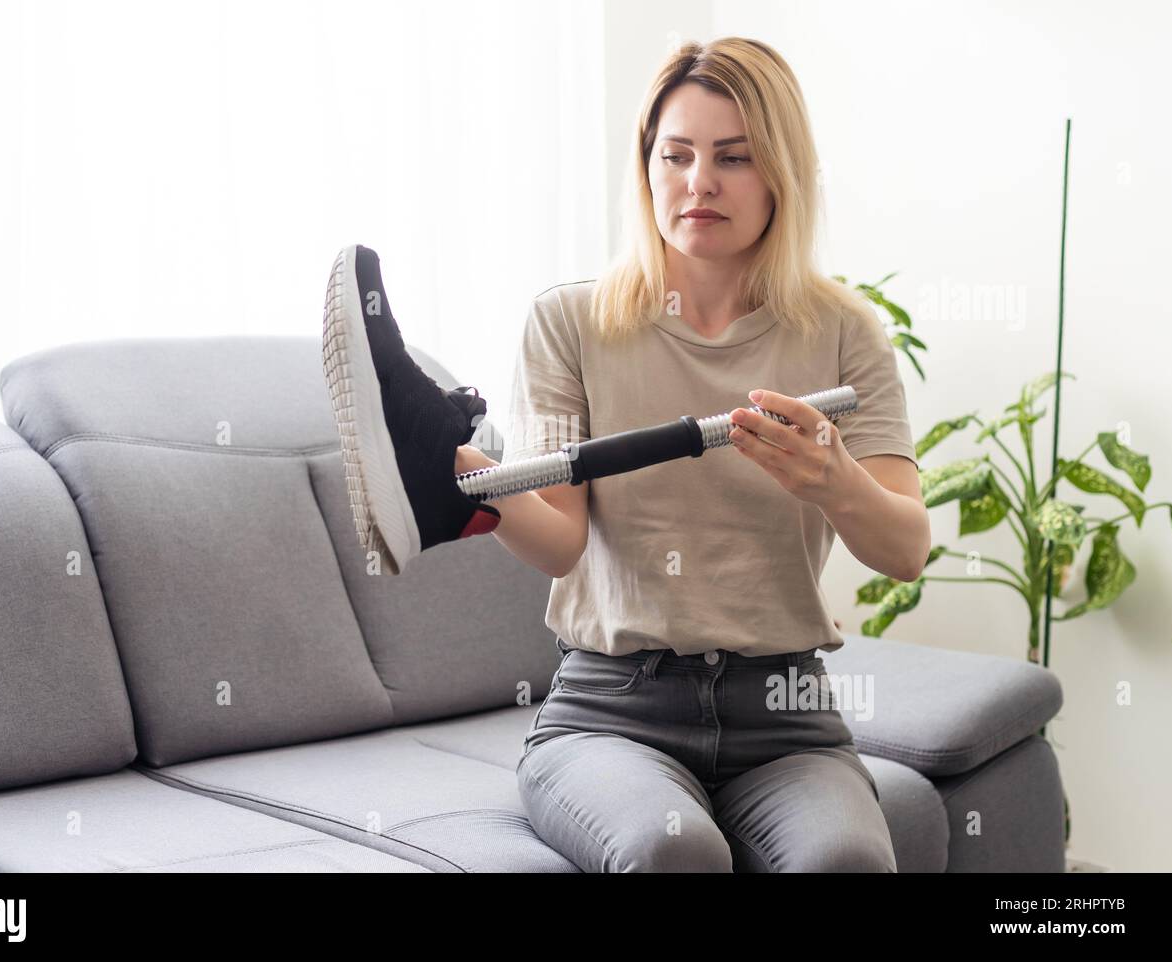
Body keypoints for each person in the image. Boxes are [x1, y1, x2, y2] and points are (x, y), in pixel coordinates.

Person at [322, 36, 928, 871]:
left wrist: (836, 482)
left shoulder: (843, 333)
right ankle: (433, 458)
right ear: (646, 167)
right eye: (675, 155)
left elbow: (905, 548)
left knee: (846, 863)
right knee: (671, 851)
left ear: (781, 170)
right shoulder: (572, 323)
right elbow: (562, 540)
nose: (698, 182)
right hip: (612, 712)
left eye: (734, 157)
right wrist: (471, 481)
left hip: (785, 716)